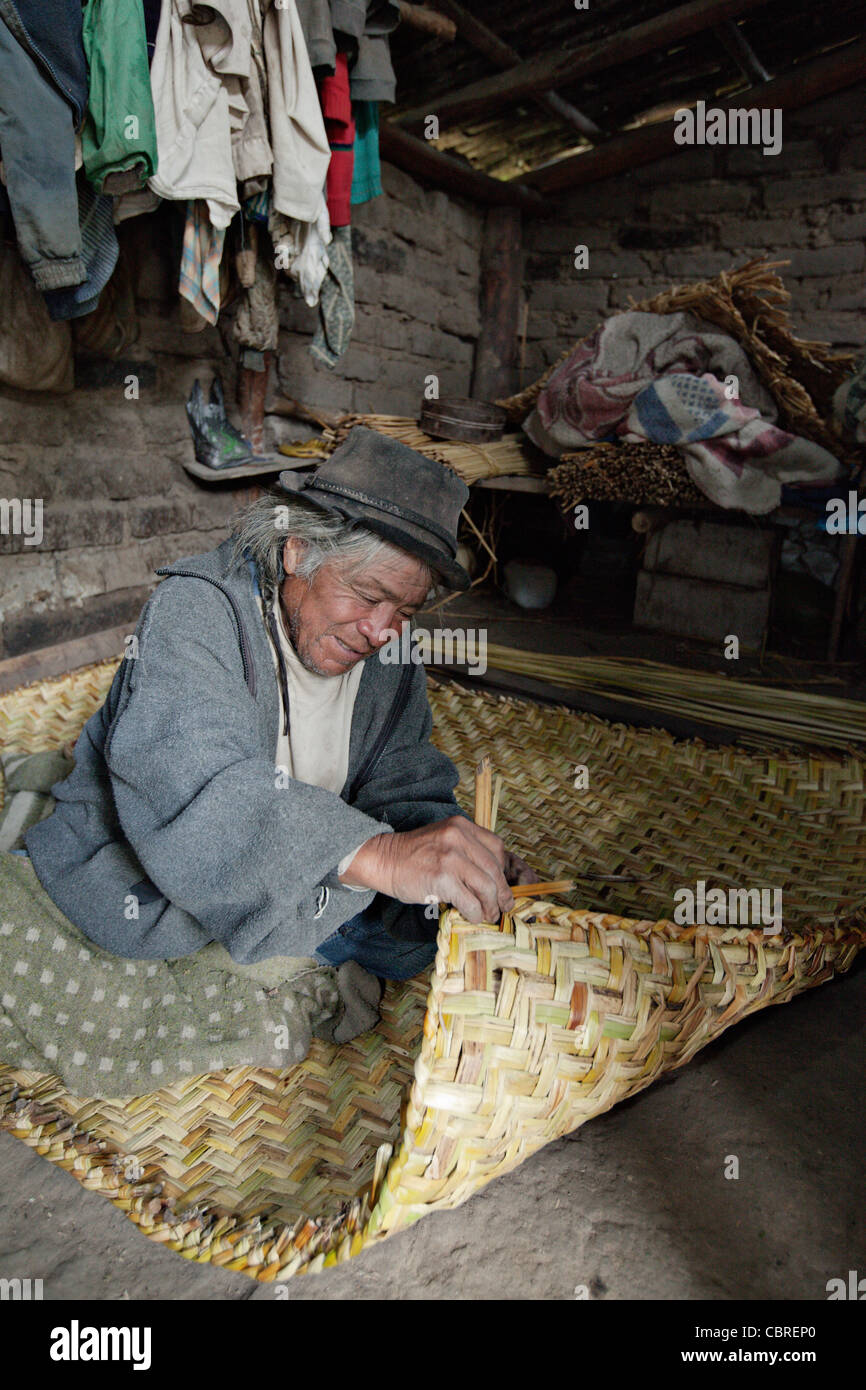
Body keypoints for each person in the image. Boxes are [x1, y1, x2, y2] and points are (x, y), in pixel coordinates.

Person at [12, 426, 532, 1087]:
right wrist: (379, 856)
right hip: (178, 866)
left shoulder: (388, 651)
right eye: (369, 596)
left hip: (311, 865)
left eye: (406, 609)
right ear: (297, 550)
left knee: (414, 938)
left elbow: (401, 768)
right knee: (168, 943)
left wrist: (444, 845)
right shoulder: (196, 610)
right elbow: (199, 778)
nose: (382, 631)